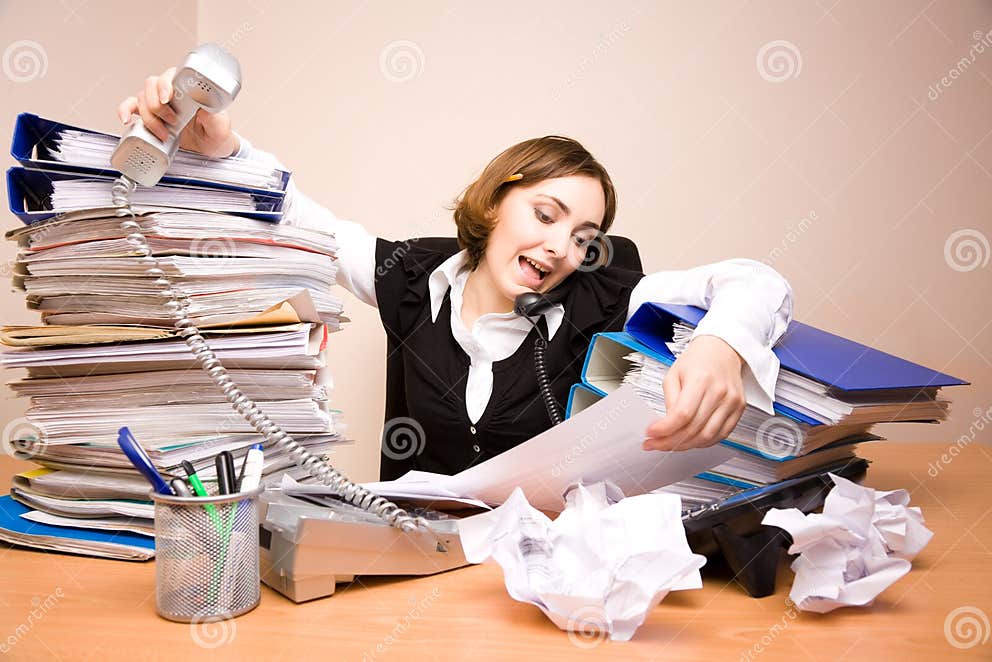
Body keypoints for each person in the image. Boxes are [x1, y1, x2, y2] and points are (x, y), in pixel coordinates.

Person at [118, 68, 794, 480]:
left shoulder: (603, 296)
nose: (561, 248)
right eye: (546, 214)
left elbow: (756, 282)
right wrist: (222, 147)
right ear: (498, 197)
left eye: (583, 237)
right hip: (418, 571)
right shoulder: (412, 276)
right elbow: (297, 218)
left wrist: (718, 345)